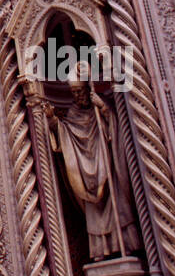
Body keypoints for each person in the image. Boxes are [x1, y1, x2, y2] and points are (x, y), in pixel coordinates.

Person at [46, 74, 140, 259]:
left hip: (106, 164)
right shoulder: (74, 114)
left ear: (88, 91)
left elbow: (114, 128)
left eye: (81, 92)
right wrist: (53, 121)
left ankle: (126, 245)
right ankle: (100, 250)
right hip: (84, 168)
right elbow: (67, 134)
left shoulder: (99, 108)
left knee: (116, 204)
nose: (79, 96)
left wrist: (104, 108)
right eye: (74, 93)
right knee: (94, 214)